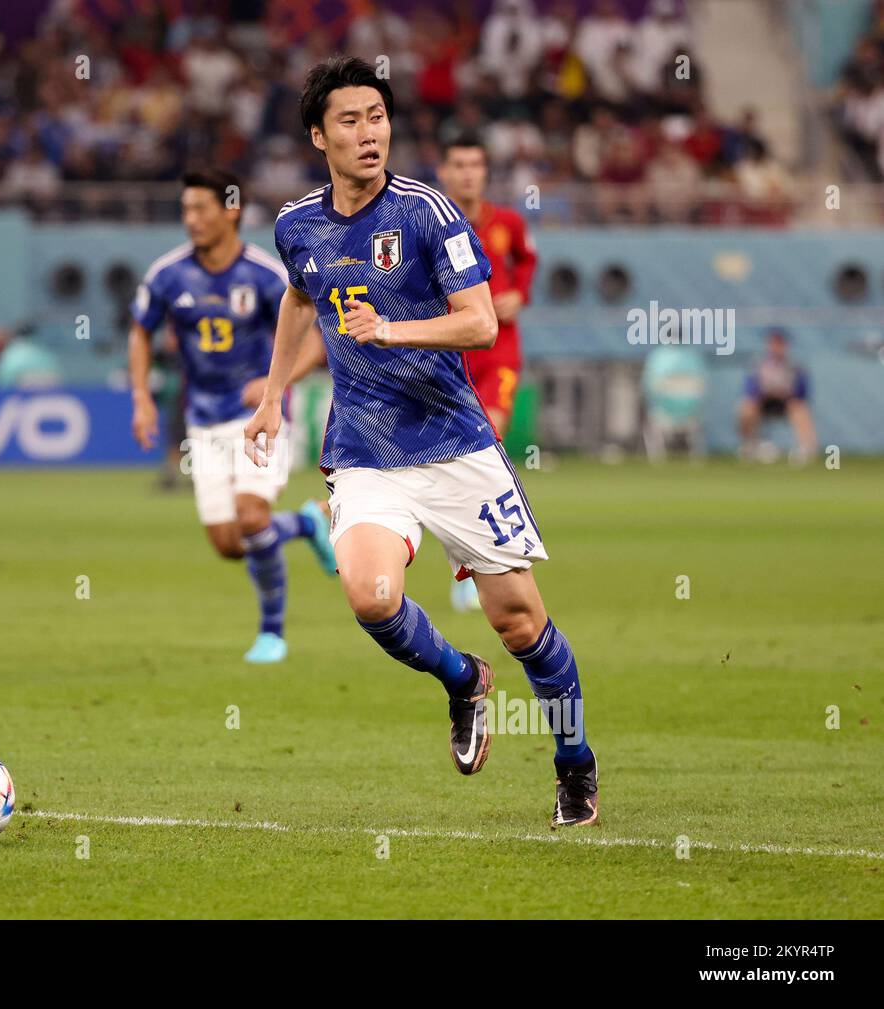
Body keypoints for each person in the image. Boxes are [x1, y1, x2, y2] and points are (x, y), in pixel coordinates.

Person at [246, 57, 599, 827]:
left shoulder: (429, 213)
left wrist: (392, 328)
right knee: (372, 597)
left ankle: (575, 763)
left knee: (522, 625)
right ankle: (461, 678)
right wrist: (274, 394)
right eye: (350, 119)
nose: (369, 132)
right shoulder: (295, 224)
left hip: (454, 444)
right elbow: (297, 300)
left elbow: (482, 321)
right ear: (318, 134)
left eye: (378, 116)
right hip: (366, 448)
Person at [128, 169, 334, 664]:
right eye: (186, 210)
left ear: (232, 210)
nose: (192, 220)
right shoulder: (167, 275)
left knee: (251, 514)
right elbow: (140, 332)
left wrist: (275, 384)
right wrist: (142, 397)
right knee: (228, 542)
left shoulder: (264, 274)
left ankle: (272, 633)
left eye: (201, 208)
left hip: (257, 417)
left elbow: (318, 332)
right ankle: (307, 525)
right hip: (203, 422)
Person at [437, 131, 537, 611]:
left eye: (475, 164)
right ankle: (469, 556)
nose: (468, 173)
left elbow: (528, 261)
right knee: (451, 454)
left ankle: (482, 558)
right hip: (448, 353)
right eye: (459, 164)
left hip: (498, 350)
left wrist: (521, 293)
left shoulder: (509, 223)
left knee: (489, 436)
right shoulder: (430, 222)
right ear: (445, 172)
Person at [738, 328, 817, 464]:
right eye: (773, 343)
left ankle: (807, 449)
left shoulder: (794, 365)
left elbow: (803, 392)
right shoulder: (758, 364)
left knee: (799, 408)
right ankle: (749, 445)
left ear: (785, 345)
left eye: (779, 343)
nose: (776, 347)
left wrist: (787, 393)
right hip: (763, 402)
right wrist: (763, 393)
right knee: (746, 407)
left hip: (786, 403)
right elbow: (749, 388)